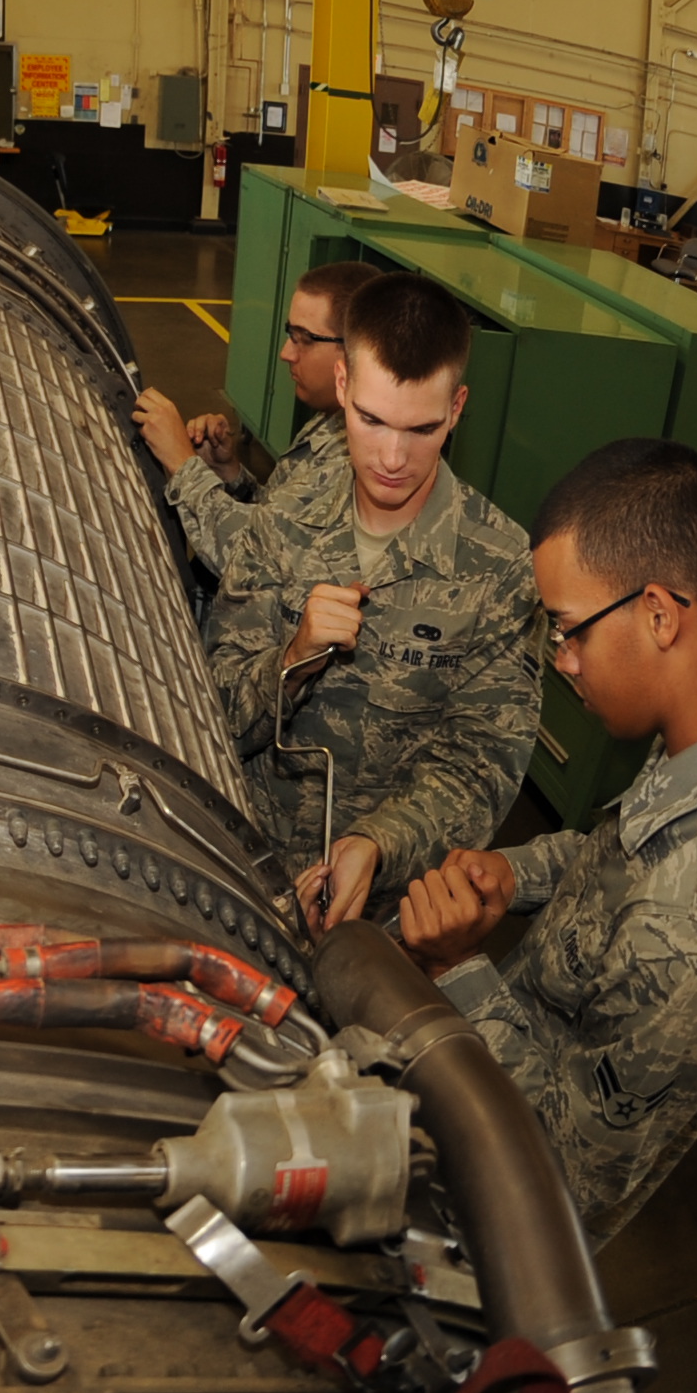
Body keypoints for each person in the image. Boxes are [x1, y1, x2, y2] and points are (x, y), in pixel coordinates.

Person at [394, 438, 697, 1246]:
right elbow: (620, 850)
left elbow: (566, 1172)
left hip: (494, 1206)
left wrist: (456, 970)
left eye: (569, 631)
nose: (561, 662)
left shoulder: (692, 940)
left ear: (661, 614)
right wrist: (512, 875)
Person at [203, 272, 540, 931]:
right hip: (242, 868)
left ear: (458, 408)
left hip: (378, 917)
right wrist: (291, 660)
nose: (392, 456)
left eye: (421, 428)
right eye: (371, 419)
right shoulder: (284, 518)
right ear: (342, 389)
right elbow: (208, 706)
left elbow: (480, 766)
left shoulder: (499, 569)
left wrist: (379, 842)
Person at [129, 259, 381, 576]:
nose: (287, 353)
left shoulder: (358, 459)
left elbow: (252, 560)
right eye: (291, 334)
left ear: (357, 349)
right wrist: (229, 472)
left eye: (304, 339)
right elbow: (279, 522)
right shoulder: (331, 420)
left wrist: (181, 462)